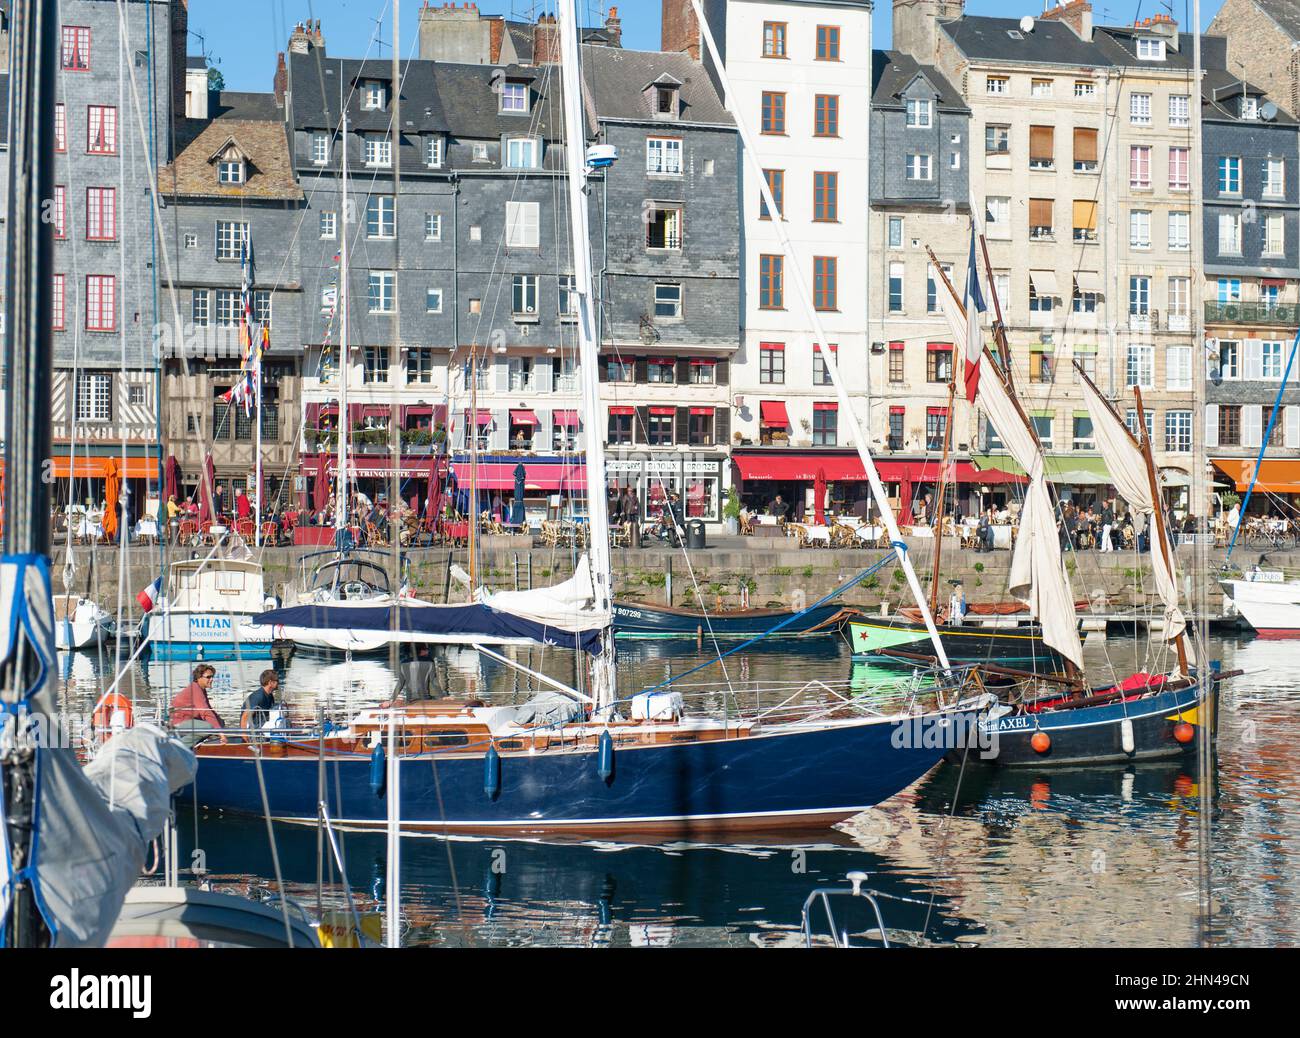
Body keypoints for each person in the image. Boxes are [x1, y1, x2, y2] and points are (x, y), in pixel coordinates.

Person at [170, 664, 227, 746]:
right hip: (178, 722)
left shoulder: (201, 689)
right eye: (208, 677)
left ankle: (199, 742)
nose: (211, 679)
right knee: (208, 728)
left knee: (219, 722)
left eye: (212, 677)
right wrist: (220, 733)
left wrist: (220, 724)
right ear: (199, 677)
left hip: (188, 721)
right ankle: (179, 746)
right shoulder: (195, 689)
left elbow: (209, 710)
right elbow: (205, 712)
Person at [240, 669, 280, 734]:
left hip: (262, 725)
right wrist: (244, 734)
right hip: (254, 729)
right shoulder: (258, 696)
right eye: (277, 681)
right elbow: (245, 716)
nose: (278, 683)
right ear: (270, 683)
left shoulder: (270, 695)